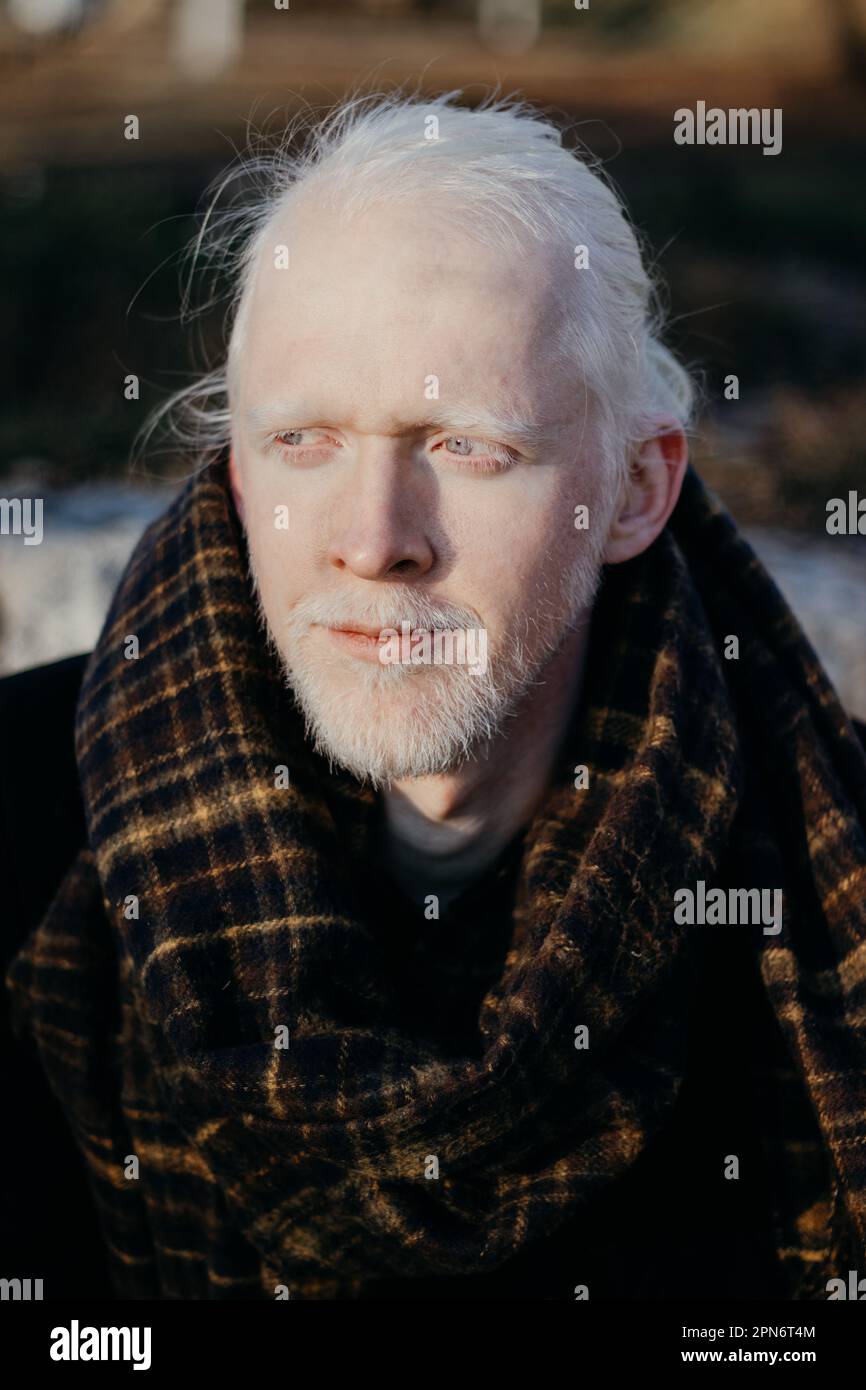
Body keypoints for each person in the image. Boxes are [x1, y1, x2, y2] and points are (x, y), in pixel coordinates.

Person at [3, 89, 866, 1301]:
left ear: (630, 489)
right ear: (239, 476)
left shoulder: (818, 905)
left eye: (468, 447)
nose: (374, 539)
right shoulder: (27, 832)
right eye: (304, 440)